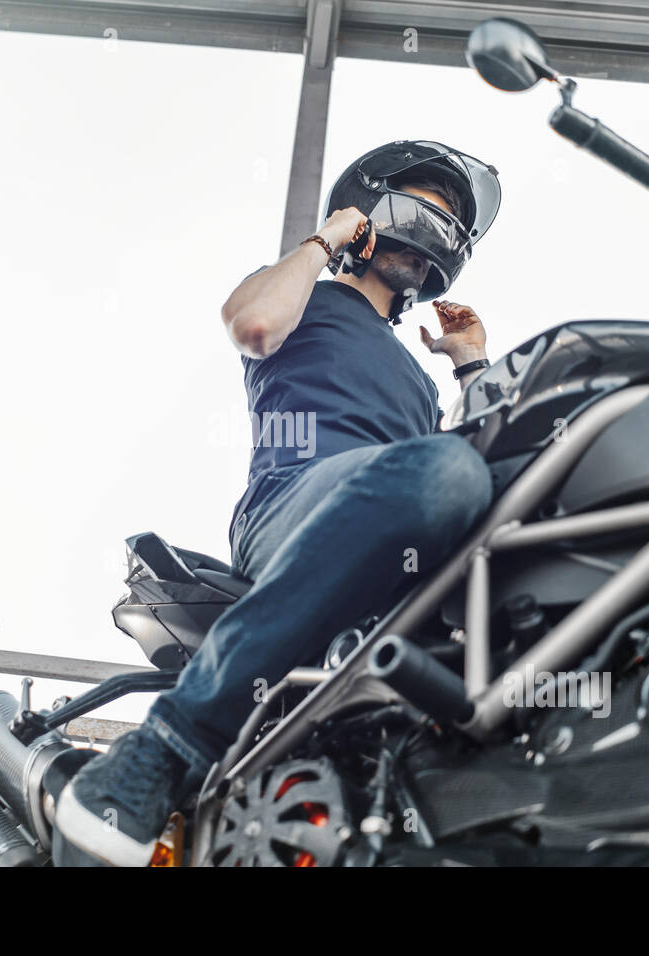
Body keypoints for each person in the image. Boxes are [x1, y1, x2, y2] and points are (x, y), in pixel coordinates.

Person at [56, 141, 502, 866]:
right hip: (296, 501)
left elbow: (486, 464)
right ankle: (168, 744)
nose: (429, 237)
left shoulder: (421, 384)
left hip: (396, 514)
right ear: (369, 210)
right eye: (419, 210)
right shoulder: (307, 300)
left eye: (447, 229)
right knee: (445, 473)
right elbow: (253, 324)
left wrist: (471, 362)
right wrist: (327, 239)